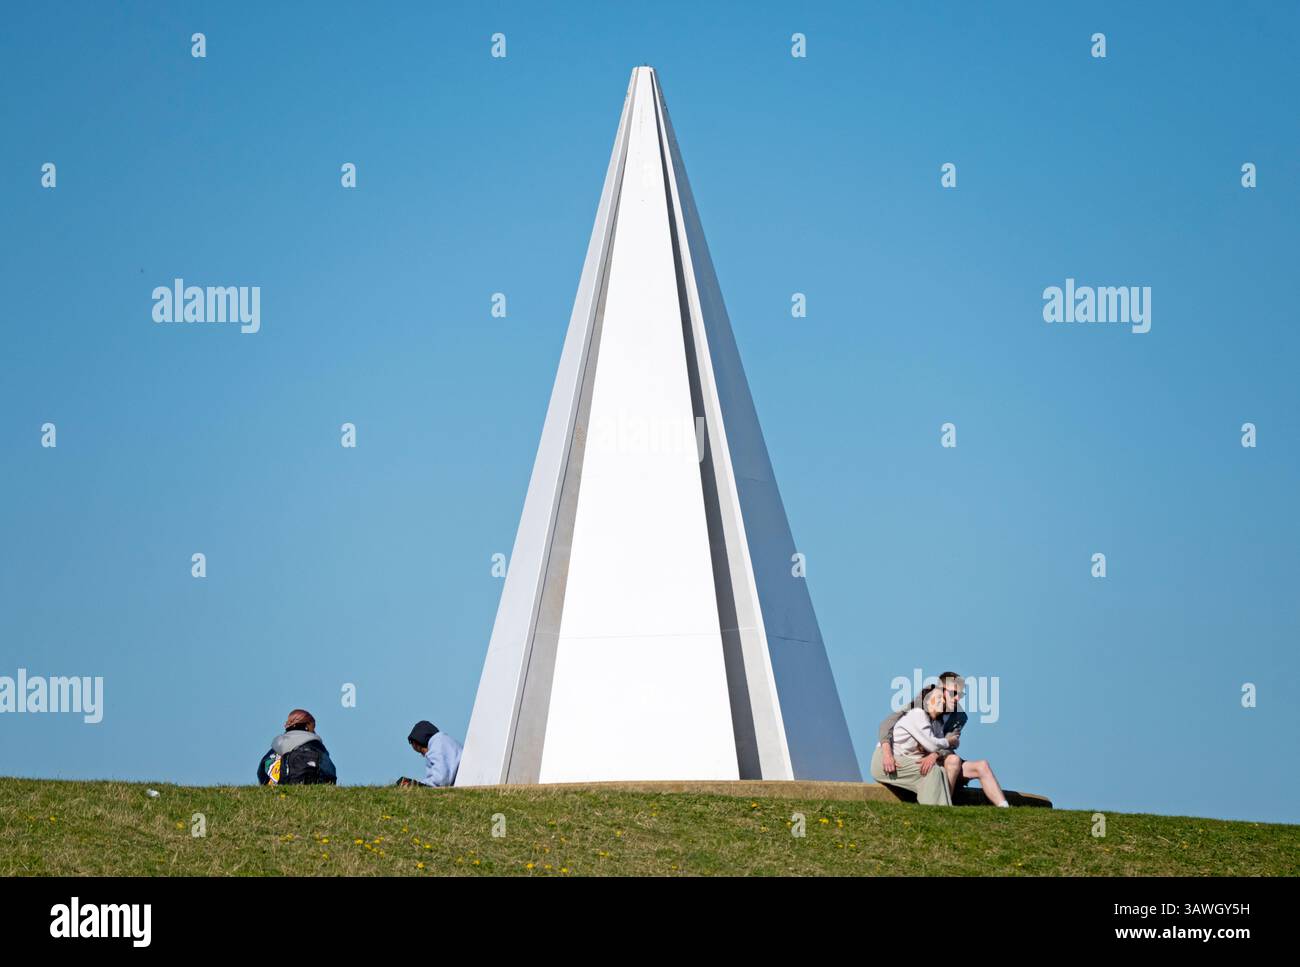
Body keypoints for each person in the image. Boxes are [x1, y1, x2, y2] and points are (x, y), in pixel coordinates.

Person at [878, 673, 1011, 807]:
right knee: (953, 761)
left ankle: (1005, 808)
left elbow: (948, 746)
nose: (957, 698)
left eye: (960, 694)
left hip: (939, 758)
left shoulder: (959, 717)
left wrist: (935, 755)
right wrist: (887, 753)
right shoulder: (923, 702)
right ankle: (942, 806)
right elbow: (887, 724)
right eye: (953, 693)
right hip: (916, 758)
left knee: (982, 766)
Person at [871, 686, 956, 805]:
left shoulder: (936, 723)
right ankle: (936, 814)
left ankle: (941, 812)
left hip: (904, 761)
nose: (942, 701)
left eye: (943, 699)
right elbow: (933, 745)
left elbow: (942, 749)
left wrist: (937, 753)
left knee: (940, 770)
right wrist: (949, 741)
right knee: (931, 771)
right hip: (887, 761)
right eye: (938, 697)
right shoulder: (917, 713)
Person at [256, 708, 338, 786]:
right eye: (313, 728)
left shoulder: (274, 750)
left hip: (278, 792)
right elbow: (329, 772)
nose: (314, 732)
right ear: (307, 725)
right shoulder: (315, 746)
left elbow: (261, 774)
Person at [400, 720, 462, 787]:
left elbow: (441, 780)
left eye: (422, 752)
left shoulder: (437, 744)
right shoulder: (445, 741)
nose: (424, 755)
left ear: (415, 744)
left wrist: (420, 785)